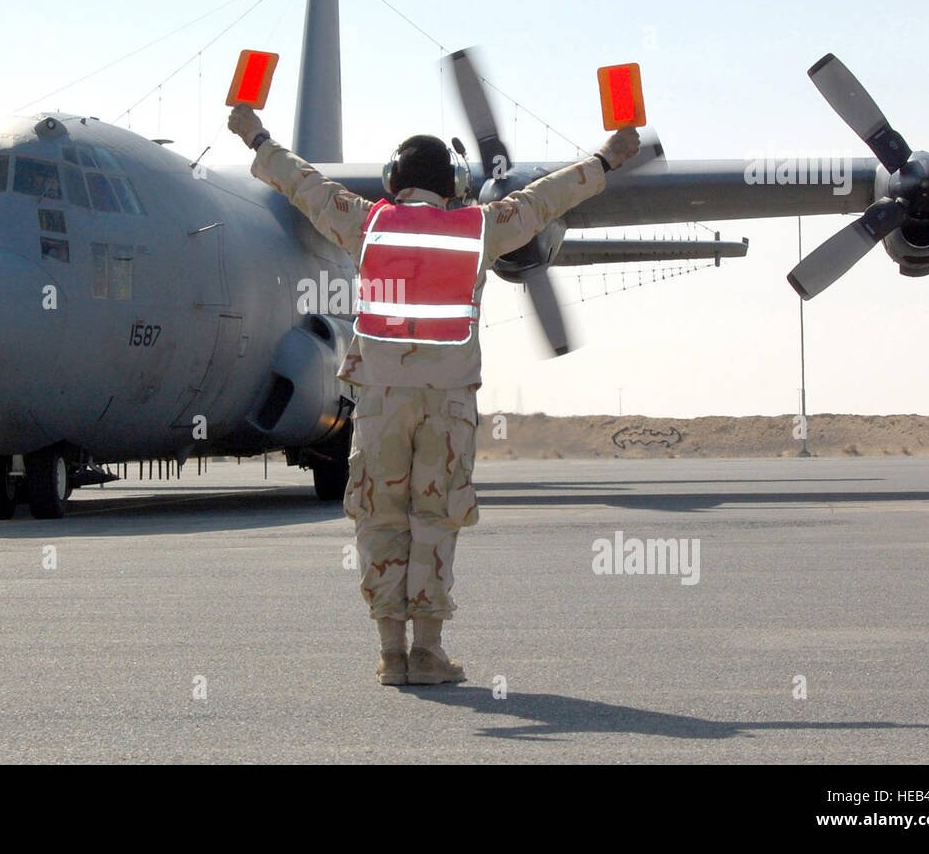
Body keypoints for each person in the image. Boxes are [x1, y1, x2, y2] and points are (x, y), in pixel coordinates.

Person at [228, 103, 639, 685]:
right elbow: (546, 200)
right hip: (448, 405)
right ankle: (429, 651)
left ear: (394, 183)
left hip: (380, 402)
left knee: (379, 517)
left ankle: (390, 653)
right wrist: (605, 160)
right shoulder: (480, 227)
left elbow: (303, 185)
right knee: (435, 518)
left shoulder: (366, 223)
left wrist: (257, 136)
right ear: (452, 185)